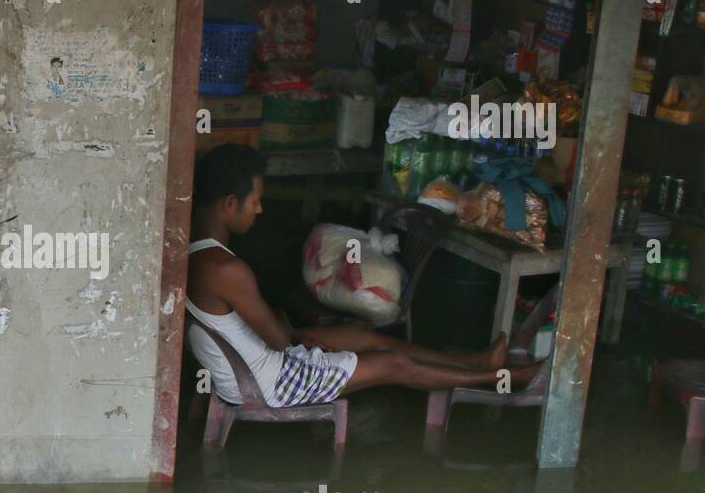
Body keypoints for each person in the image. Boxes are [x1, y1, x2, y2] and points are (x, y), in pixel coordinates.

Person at [186, 143, 537, 409]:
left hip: (253, 364)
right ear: (230, 204)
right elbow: (279, 340)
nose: (260, 209)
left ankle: (473, 361)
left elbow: (269, 331)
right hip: (270, 380)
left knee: (359, 335)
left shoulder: (198, 253)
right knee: (393, 364)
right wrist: (289, 328)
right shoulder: (226, 269)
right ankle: (502, 377)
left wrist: (289, 329)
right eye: (256, 201)